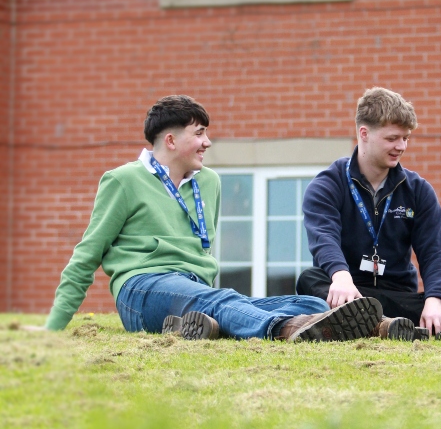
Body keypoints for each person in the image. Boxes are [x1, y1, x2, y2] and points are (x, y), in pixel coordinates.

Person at [44, 95, 382, 342]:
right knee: (218, 300)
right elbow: (87, 254)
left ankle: (197, 326)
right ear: (172, 140)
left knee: (307, 300)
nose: (207, 142)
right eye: (199, 133)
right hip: (142, 289)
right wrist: (54, 326)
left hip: (195, 289)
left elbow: (203, 252)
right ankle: (284, 329)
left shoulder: (209, 182)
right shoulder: (123, 181)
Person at [297, 87, 441, 341]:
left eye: (406, 138)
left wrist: (434, 300)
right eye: (392, 138)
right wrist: (340, 276)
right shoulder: (328, 185)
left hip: (400, 298)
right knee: (309, 280)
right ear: (364, 134)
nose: (401, 146)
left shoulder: (418, 190)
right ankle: (382, 326)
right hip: (349, 295)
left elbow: (434, 252)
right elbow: (324, 238)